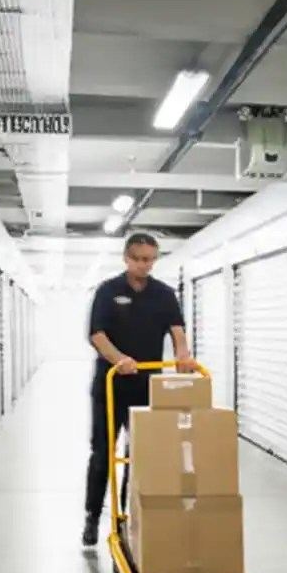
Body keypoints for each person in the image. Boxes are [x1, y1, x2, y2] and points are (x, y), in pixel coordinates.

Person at [82, 232, 196, 547]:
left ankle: (129, 515)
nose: (146, 265)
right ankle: (92, 517)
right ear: (127, 258)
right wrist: (119, 359)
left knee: (141, 455)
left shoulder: (164, 294)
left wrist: (183, 355)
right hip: (110, 386)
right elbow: (96, 334)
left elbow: (177, 331)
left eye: (151, 260)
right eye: (140, 259)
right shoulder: (108, 291)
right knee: (102, 453)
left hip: (147, 388)